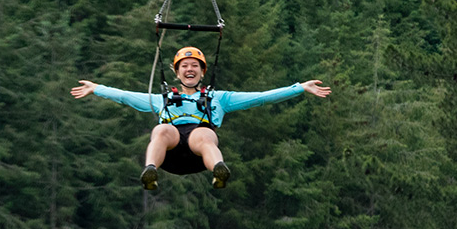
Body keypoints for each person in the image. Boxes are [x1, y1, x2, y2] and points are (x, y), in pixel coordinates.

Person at [70, 46, 331, 189]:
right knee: (161, 130)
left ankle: (219, 170)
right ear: (177, 73)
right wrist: (98, 89)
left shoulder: (219, 98)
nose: (189, 69)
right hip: (170, 154)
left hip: (199, 152)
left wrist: (299, 88)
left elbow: (261, 96)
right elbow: (126, 95)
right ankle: (150, 170)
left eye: (195, 65)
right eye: (184, 66)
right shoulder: (163, 99)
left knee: (204, 133)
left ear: (202, 72)